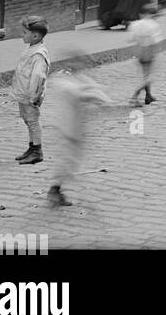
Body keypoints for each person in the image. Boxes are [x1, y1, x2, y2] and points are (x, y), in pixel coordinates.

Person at [47, 58, 115, 208]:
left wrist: (100, 91)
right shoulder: (65, 84)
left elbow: (88, 86)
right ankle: (55, 190)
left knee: (71, 160)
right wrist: (102, 98)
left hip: (72, 126)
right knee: (68, 160)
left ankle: (57, 188)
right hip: (68, 128)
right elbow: (81, 94)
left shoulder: (72, 79)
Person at [12, 15, 51, 164]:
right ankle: (31, 147)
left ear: (35, 36)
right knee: (28, 120)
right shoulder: (32, 49)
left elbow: (38, 77)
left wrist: (34, 96)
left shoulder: (39, 55)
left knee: (33, 121)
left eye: (24, 32)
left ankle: (37, 151)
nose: (22, 35)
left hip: (30, 94)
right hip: (24, 92)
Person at [128, 3, 162, 105]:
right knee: (149, 77)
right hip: (149, 50)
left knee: (144, 74)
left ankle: (148, 96)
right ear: (148, 14)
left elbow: (130, 39)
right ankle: (135, 96)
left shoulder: (135, 24)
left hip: (139, 50)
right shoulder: (153, 25)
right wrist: (156, 51)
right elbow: (156, 40)